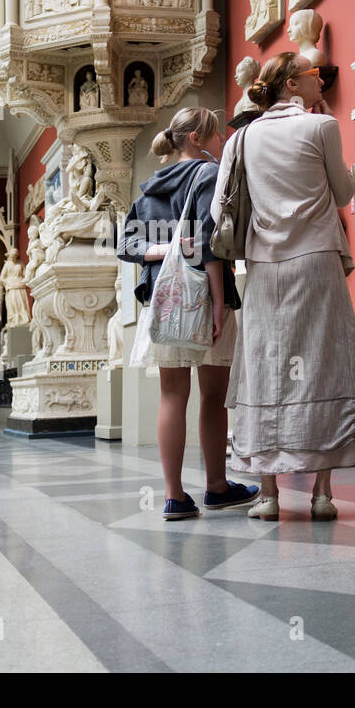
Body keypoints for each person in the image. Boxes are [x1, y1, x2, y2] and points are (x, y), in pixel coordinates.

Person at [213, 52, 355, 521]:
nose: (321, 79)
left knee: (265, 364)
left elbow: (216, 214)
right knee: (323, 361)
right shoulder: (320, 127)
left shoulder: (241, 139)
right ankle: (322, 495)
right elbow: (345, 194)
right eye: (312, 75)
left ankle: (267, 495)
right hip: (317, 258)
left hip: (265, 264)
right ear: (291, 84)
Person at [118, 107, 257, 521]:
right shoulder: (208, 175)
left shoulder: (151, 186)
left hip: (161, 302)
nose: (220, 144)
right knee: (213, 396)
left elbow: (125, 244)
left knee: (171, 394)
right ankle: (216, 486)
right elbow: (210, 245)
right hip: (203, 298)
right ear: (197, 138)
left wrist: (160, 251)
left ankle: (174, 496)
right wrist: (218, 304)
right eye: (215, 137)